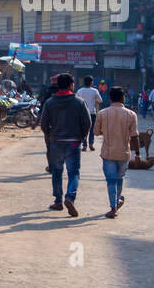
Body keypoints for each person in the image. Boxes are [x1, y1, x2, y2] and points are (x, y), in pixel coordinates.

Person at [39, 73, 91, 217]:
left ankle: (58, 201)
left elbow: (43, 124)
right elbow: (87, 123)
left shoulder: (50, 102)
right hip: (73, 142)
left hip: (56, 142)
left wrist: (50, 136)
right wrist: (81, 137)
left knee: (56, 171)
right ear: (70, 85)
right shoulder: (79, 102)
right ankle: (70, 197)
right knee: (73, 172)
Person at [94, 87, 138, 219]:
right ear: (123, 98)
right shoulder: (131, 114)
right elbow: (135, 136)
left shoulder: (102, 113)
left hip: (108, 153)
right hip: (124, 153)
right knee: (120, 179)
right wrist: (138, 154)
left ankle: (113, 207)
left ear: (110, 98)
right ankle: (116, 201)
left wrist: (107, 131)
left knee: (111, 181)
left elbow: (96, 132)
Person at [75, 75, 101, 151]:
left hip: (82, 113)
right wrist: (94, 100)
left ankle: (84, 145)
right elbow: (100, 100)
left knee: (83, 129)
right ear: (91, 82)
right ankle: (91, 144)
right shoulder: (95, 91)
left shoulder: (80, 91)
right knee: (92, 129)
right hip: (92, 113)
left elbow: (76, 101)